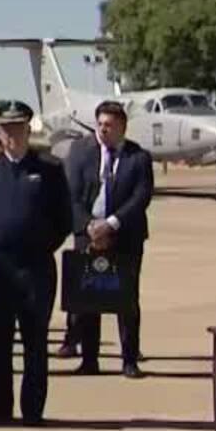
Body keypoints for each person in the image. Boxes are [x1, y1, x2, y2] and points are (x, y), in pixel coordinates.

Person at [0, 100, 73, 426]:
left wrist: (39, 247)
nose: (13, 135)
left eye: (18, 128)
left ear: (29, 129)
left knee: (35, 340)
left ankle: (33, 410)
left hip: (35, 268)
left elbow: (63, 219)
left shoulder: (50, 169)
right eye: (7, 129)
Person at [64, 100, 153, 378]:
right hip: (87, 236)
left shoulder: (138, 157)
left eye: (109, 125)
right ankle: (89, 360)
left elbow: (141, 196)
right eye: (100, 124)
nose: (103, 130)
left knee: (126, 300)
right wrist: (89, 226)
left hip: (125, 237)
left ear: (122, 128)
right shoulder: (80, 152)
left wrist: (112, 225)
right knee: (88, 300)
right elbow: (71, 194)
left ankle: (129, 359)